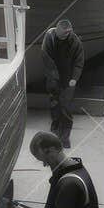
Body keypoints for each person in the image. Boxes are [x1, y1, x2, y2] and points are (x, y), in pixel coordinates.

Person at [40, 19, 85, 148]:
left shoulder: (75, 41)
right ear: (57, 30)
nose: (62, 38)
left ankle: (65, 138)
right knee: (54, 105)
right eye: (60, 35)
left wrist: (74, 78)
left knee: (65, 107)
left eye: (65, 35)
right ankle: (54, 136)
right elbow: (45, 56)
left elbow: (79, 62)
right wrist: (53, 76)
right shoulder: (50, 36)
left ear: (69, 32)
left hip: (68, 79)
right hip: (53, 76)